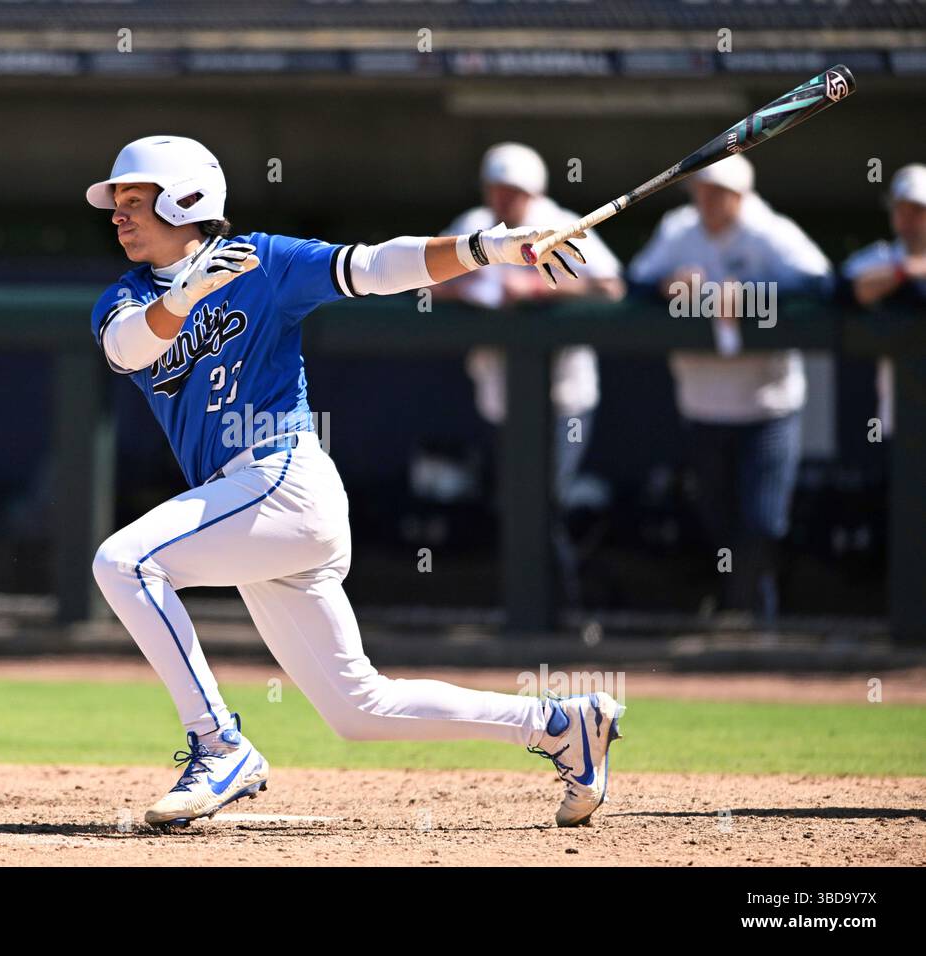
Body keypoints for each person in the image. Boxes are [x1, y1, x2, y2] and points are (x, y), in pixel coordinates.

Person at [86, 135, 624, 828]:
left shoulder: (264, 260)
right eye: (118, 202)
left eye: (136, 200)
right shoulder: (124, 296)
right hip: (250, 514)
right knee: (358, 709)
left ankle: (220, 745)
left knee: (122, 561)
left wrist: (487, 247)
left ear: (185, 199)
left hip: (282, 479)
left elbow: (374, 266)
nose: (119, 214)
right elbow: (128, 348)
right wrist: (186, 294)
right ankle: (560, 726)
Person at [628, 154, 832, 621]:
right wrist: (667, 284)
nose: (706, 201)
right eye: (701, 191)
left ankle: (759, 618)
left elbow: (820, 284)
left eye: (717, 193)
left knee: (763, 521)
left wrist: (749, 291)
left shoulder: (767, 230)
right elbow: (633, 282)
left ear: (740, 196)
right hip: (702, 403)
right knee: (719, 521)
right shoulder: (679, 228)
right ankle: (736, 611)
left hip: (767, 403)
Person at [434, 142, 625, 608]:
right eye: (496, 190)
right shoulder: (471, 226)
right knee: (518, 505)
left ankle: (563, 607)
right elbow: (425, 280)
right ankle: (540, 606)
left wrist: (539, 287)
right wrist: (473, 289)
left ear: (533, 191)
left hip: (564, 397)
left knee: (542, 504)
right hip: (500, 394)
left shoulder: (559, 223)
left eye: (513, 191)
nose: (503, 199)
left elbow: (611, 286)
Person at [840, 163, 926, 437]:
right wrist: (904, 272)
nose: (909, 220)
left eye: (918, 211)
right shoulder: (882, 258)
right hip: (900, 413)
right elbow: (844, 289)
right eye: (902, 210)